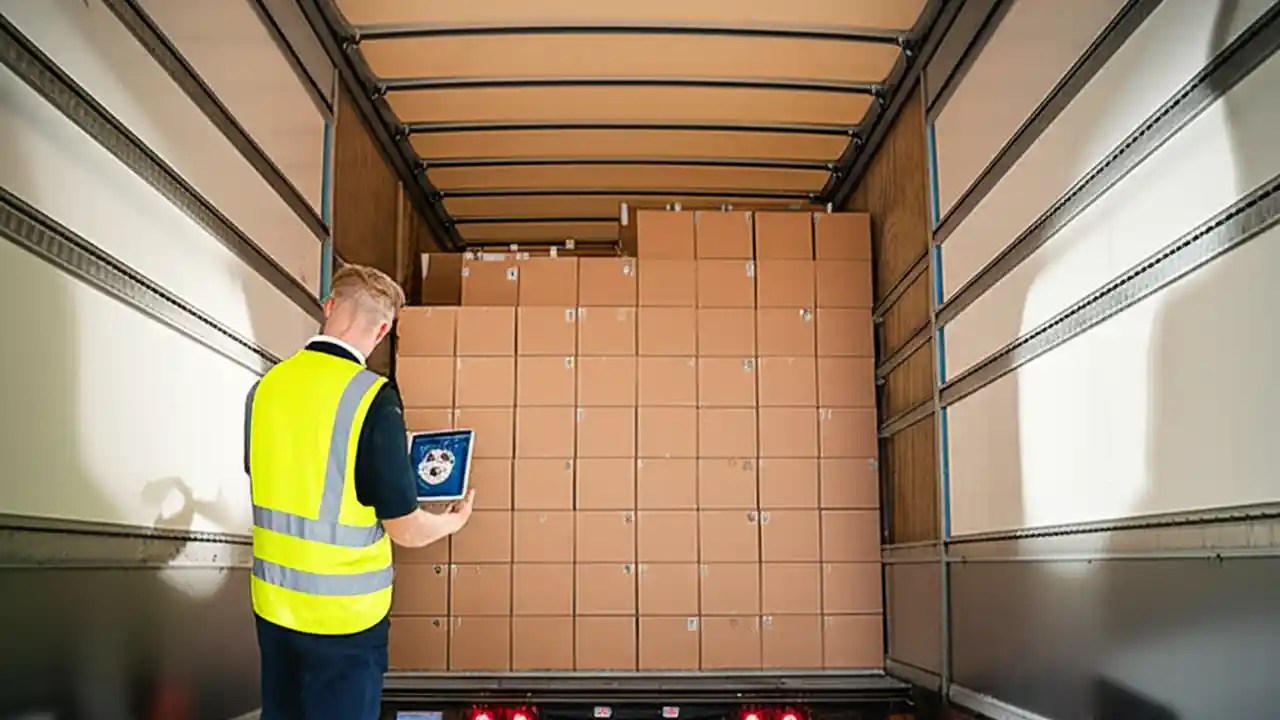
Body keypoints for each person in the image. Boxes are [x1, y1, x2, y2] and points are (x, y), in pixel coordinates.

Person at [244, 264, 474, 719]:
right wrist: (453, 520)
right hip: (344, 621)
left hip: (275, 608)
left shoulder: (266, 387)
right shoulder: (372, 398)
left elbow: (276, 473)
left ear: (328, 307)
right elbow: (405, 528)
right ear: (384, 330)